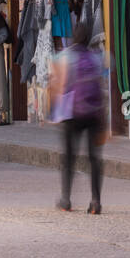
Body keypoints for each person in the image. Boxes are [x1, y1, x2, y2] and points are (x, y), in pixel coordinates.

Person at [49, 22, 106, 214]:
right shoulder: (97, 58)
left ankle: (66, 200)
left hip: (71, 113)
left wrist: (53, 112)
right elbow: (102, 84)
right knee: (94, 159)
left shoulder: (64, 56)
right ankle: (96, 202)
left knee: (69, 158)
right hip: (93, 113)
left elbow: (57, 85)